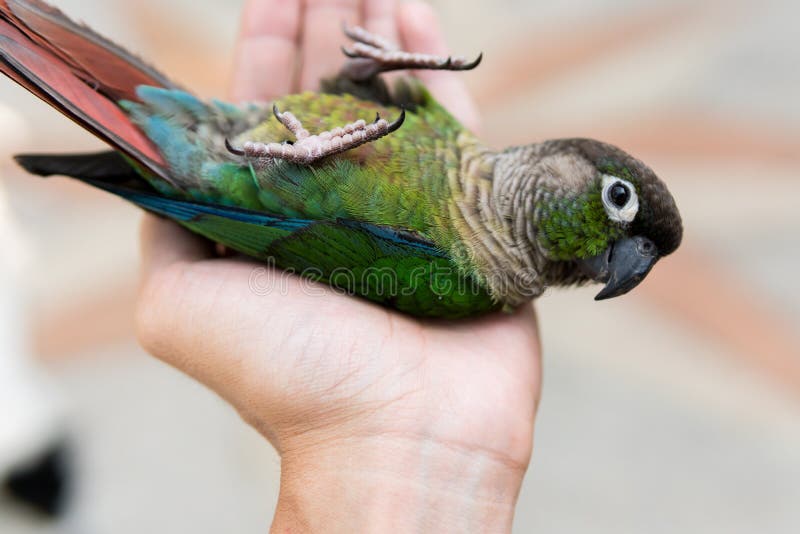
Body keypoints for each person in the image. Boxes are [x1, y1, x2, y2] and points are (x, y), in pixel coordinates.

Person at [135, 1, 541, 531]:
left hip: (258, 183)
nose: (624, 261)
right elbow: (373, 103)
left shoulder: (472, 285)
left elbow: (313, 237)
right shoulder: (467, 149)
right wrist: (371, 71)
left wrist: (384, 451)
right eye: (616, 202)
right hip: (258, 152)